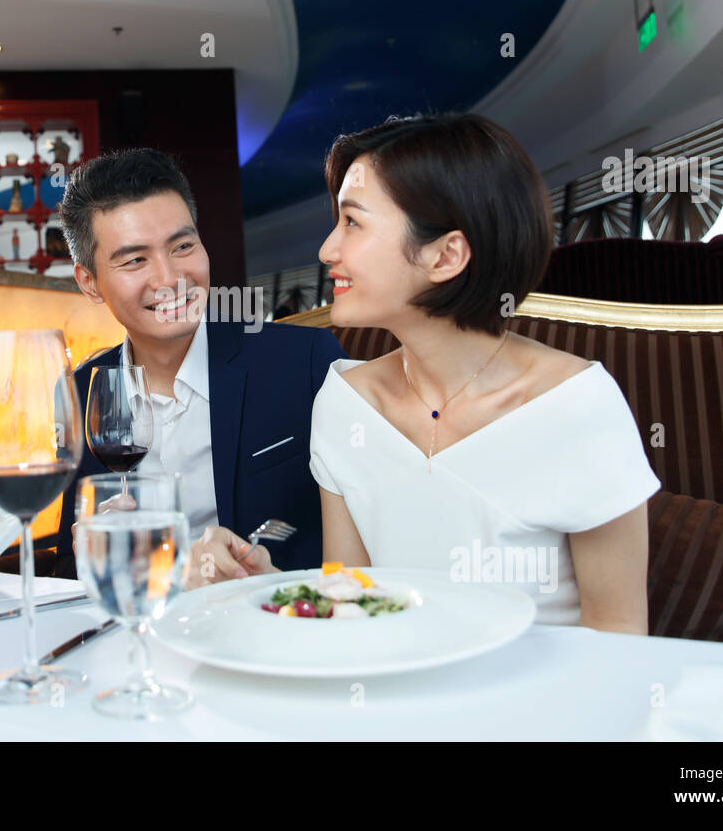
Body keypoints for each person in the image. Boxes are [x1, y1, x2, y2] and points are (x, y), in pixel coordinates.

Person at [310, 113, 657, 632]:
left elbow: (619, 633)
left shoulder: (579, 408)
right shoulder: (346, 405)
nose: (327, 251)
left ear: (446, 255)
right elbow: (350, 609)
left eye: (353, 223)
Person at [54, 148, 345, 584]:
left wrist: (274, 581)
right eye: (135, 260)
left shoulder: (304, 361)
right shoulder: (84, 393)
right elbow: (69, 573)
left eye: (183, 246)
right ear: (89, 283)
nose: (170, 278)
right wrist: (95, 556)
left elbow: (370, 541)